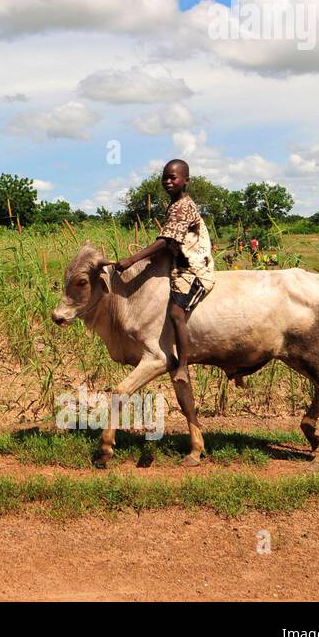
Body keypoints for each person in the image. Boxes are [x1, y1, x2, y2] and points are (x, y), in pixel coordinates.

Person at [108, 160, 216, 447]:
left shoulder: (182, 206)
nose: (168, 181)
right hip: (179, 264)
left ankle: (182, 364)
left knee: (176, 312)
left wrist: (132, 259)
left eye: (174, 177)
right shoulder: (173, 205)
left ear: (186, 180)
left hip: (194, 268)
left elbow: (166, 240)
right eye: (165, 178)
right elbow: (168, 243)